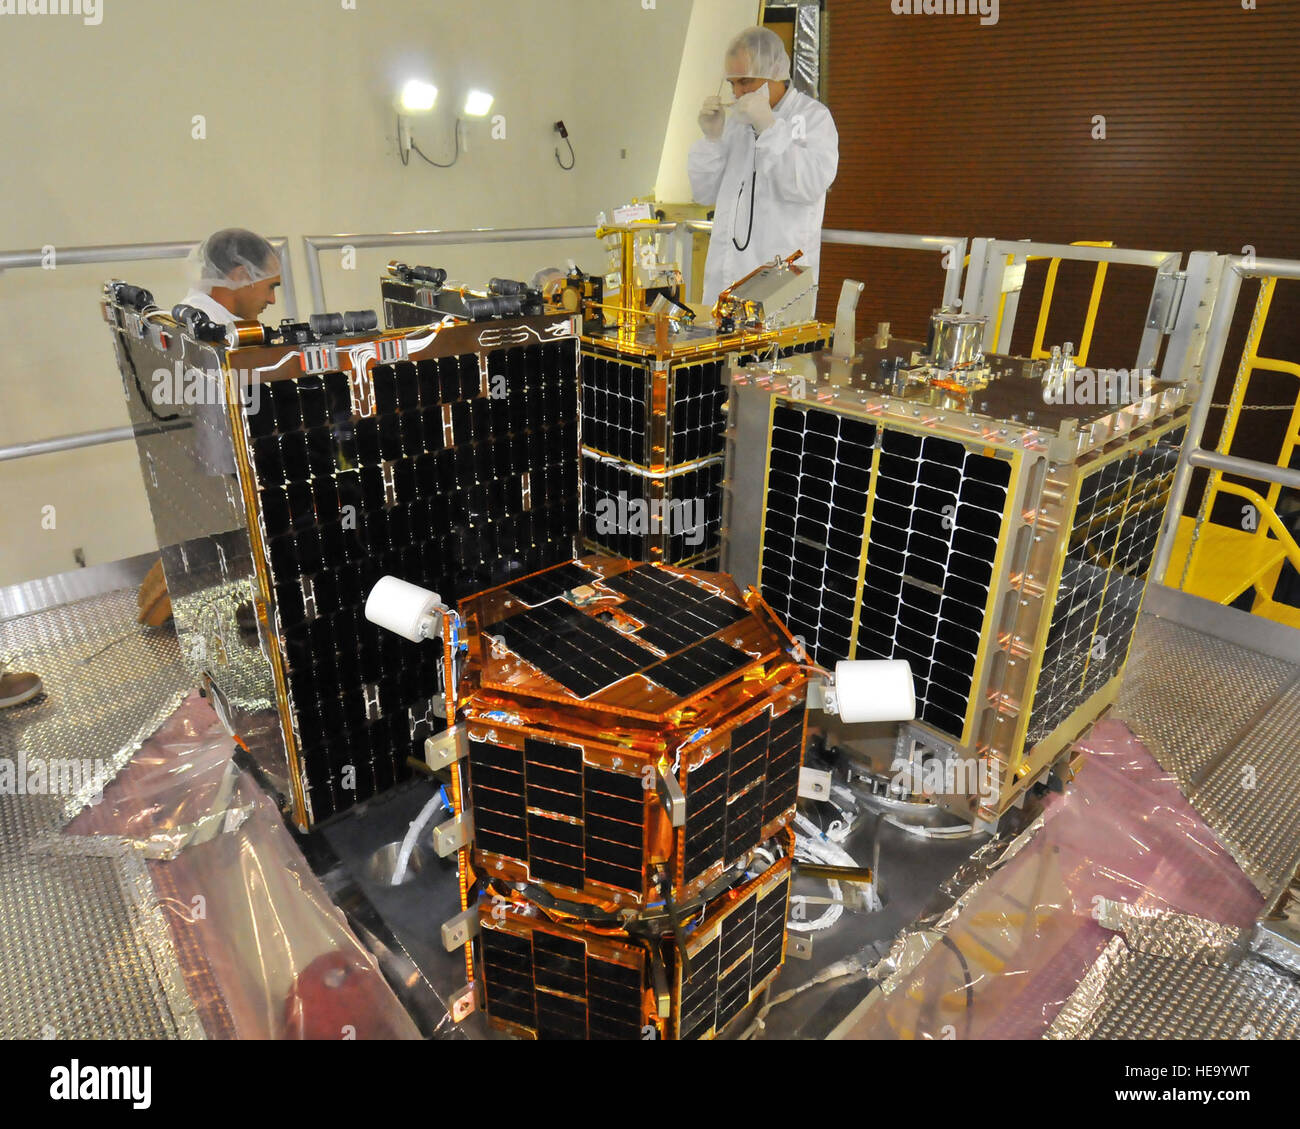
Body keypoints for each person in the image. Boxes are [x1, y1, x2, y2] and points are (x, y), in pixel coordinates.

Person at [688, 26, 840, 307]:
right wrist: (712, 139)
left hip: (779, 288)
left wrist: (769, 129)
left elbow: (806, 185)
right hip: (725, 281)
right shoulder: (735, 124)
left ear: (774, 73)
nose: (737, 93)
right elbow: (703, 193)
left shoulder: (813, 118)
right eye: (732, 84)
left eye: (745, 82)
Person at [180, 228, 282, 328]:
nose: (272, 300)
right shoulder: (206, 332)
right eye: (271, 287)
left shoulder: (197, 320)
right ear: (241, 276)